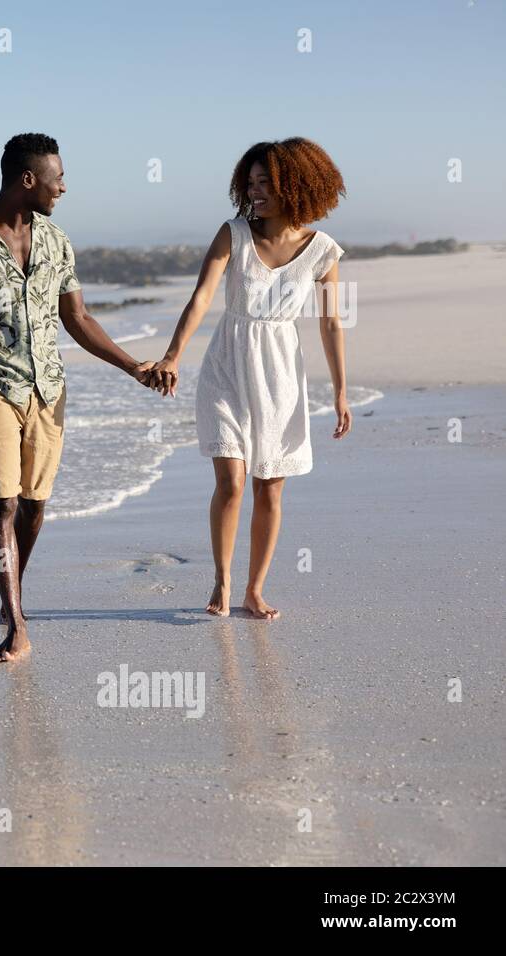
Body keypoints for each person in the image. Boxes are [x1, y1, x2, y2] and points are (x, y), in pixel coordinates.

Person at [0, 132, 158, 663]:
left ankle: (13, 595)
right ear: (28, 180)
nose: (64, 188)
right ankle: (17, 622)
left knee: (33, 507)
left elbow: (78, 319)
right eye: (58, 179)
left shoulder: (57, 242)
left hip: (48, 390)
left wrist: (133, 367)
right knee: (2, 502)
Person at [147, 137, 349, 619]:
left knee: (270, 486)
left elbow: (330, 322)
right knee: (232, 481)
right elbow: (200, 298)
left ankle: (255, 590)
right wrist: (173, 355)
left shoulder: (322, 250)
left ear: (294, 185)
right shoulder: (233, 233)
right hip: (226, 364)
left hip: (280, 372)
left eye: (266, 183)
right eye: (250, 182)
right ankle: (222, 578)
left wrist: (341, 390)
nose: (255, 192)